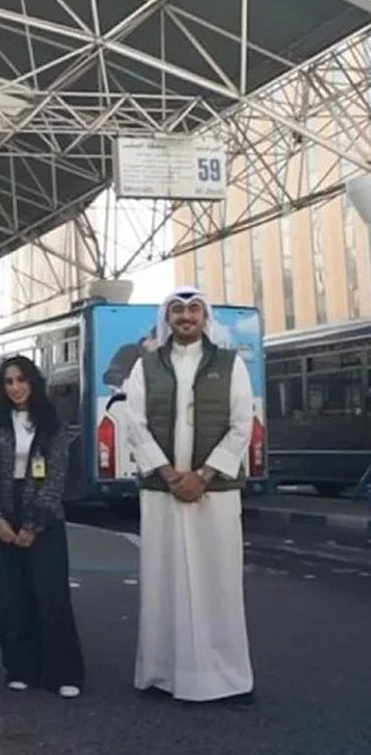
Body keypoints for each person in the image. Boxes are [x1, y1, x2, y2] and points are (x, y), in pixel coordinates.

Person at [124, 286, 254, 703]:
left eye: (193, 309)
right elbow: (135, 424)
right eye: (178, 310)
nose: (186, 317)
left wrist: (203, 475)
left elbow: (241, 425)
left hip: (213, 492)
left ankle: (229, 679)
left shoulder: (230, 364)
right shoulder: (146, 366)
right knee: (164, 581)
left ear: (204, 317)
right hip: (162, 492)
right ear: (168, 318)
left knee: (219, 581)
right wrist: (168, 474)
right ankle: (162, 675)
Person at [0, 355, 84, 699]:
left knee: (51, 596)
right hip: (1, 524)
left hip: (44, 523)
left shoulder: (53, 424)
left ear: (33, 382)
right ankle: (20, 668)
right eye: (8, 382)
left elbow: (54, 477)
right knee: (11, 598)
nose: (15, 388)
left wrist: (32, 524)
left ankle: (62, 672)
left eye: (21, 380)